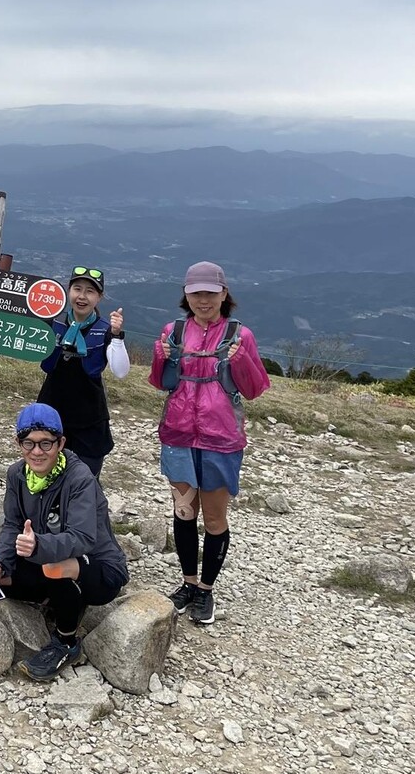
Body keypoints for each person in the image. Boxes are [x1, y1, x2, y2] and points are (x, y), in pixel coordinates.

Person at [148, 261, 270, 626]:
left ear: (224, 293)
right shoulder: (173, 331)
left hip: (221, 439)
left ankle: (206, 589)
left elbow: (254, 389)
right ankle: (188, 583)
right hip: (178, 434)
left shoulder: (240, 335)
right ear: (186, 295)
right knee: (184, 512)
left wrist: (241, 360)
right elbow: (162, 382)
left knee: (215, 518)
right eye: (196, 293)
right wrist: (161, 358)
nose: (203, 300)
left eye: (210, 293)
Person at [0, 403, 128, 681]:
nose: (37, 451)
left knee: (55, 566)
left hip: (98, 569)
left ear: (61, 443)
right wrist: (2, 562)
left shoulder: (80, 478)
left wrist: (39, 546)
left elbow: (82, 537)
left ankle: (67, 643)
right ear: (18, 443)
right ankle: (58, 599)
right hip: (43, 556)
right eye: (29, 443)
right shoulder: (17, 474)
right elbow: (12, 525)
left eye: (46, 443)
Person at [36, 266, 129, 480]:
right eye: (77, 289)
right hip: (51, 410)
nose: (82, 296)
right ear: (68, 291)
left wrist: (116, 335)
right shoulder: (53, 321)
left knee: (85, 481)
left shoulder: (105, 329)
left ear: (99, 297)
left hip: (89, 418)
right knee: (46, 477)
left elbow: (121, 371)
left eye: (90, 291)